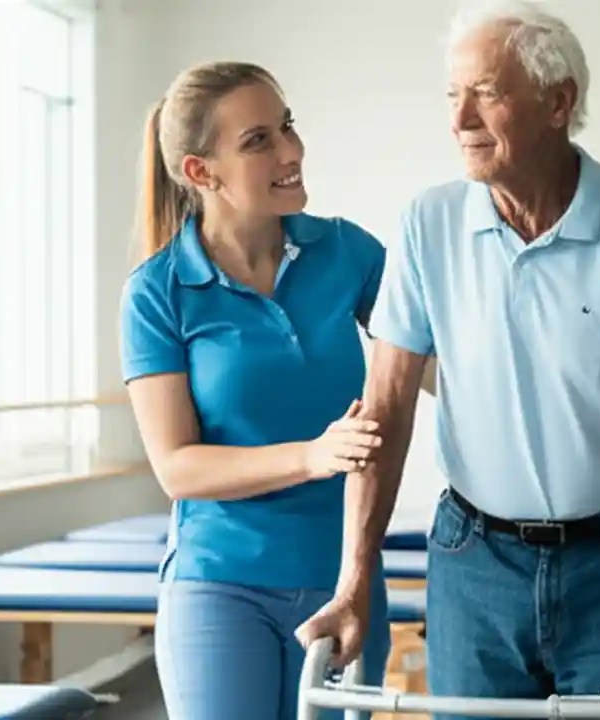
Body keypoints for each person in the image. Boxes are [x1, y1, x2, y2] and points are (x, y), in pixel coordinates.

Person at [296, 1, 600, 718]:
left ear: (559, 102)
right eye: (452, 96)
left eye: (486, 93)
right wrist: (352, 583)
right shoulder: (428, 223)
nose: (459, 119)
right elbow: (387, 411)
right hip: (475, 562)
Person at [119, 61, 395, 720]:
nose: (291, 151)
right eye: (259, 141)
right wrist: (313, 455)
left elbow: (441, 368)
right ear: (200, 172)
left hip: (345, 582)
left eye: (288, 127)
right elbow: (177, 466)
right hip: (219, 586)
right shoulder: (157, 293)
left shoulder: (349, 254)